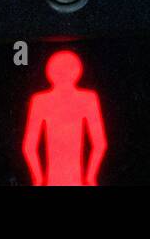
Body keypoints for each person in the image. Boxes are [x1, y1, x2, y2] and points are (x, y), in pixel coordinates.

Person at [22, 50, 108, 186]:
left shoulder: (40, 101)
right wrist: (90, 177)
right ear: (77, 71)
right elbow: (100, 144)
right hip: (77, 181)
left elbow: (29, 147)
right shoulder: (88, 99)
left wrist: (38, 179)